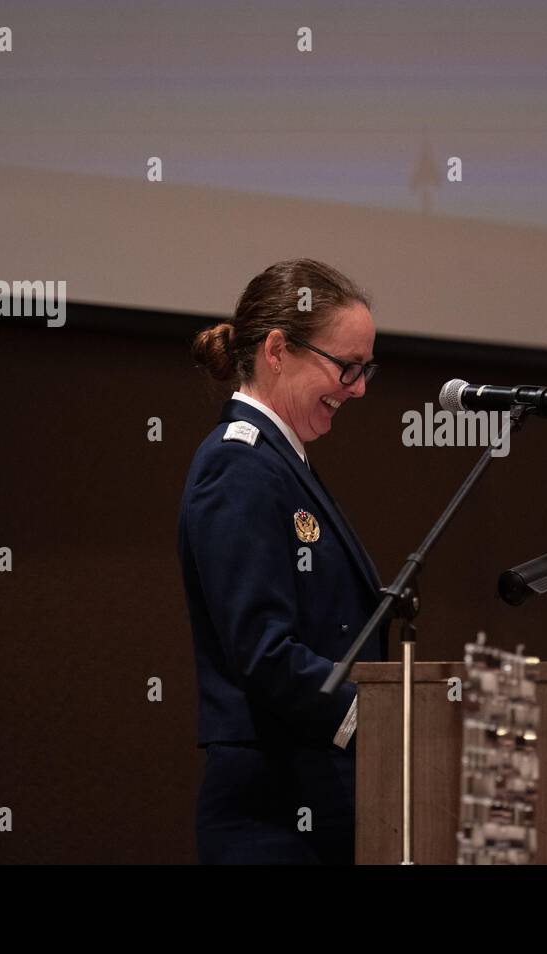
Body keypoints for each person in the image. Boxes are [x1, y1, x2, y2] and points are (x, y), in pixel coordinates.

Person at [178, 259, 386, 864]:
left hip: (313, 802)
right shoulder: (237, 465)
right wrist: (368, 718)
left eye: (366, 368)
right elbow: (263, 649)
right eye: (347, 367)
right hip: (272, 818)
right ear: (277, 348)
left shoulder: (279, 462)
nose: (359, 389)